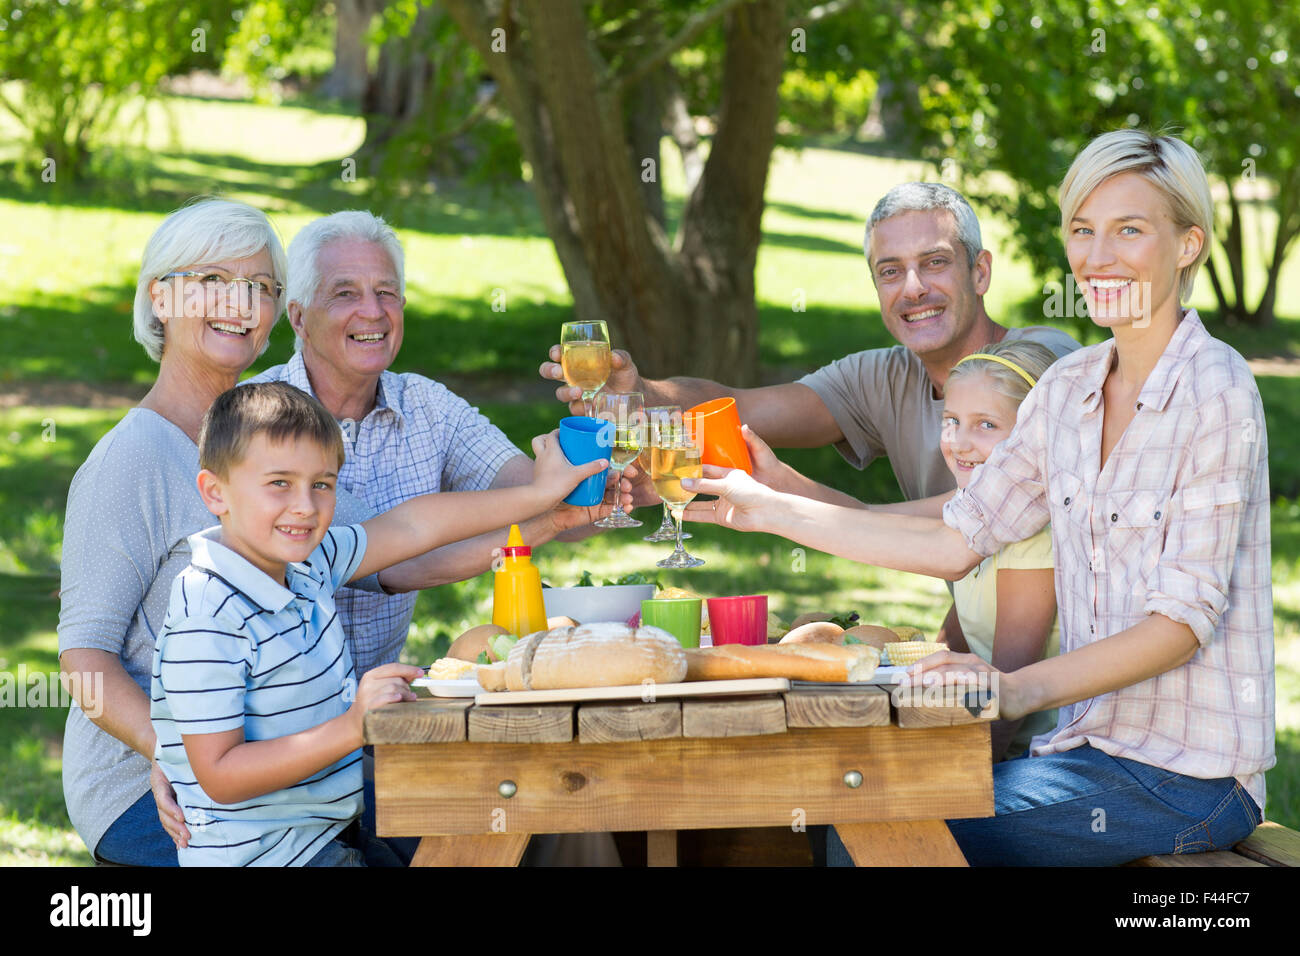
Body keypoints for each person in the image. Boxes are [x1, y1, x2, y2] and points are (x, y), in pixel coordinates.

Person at [683, 130, 1273, 866]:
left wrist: (1014, 691)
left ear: (1188, 244)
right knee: (860, 810)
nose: (1097, 257)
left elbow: (1180, 624)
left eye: (1129, 229)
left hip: (1186, 779)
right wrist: (766, 508)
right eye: (1082, 231)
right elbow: (956, 539)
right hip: (1087, 753)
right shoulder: (1069, 390)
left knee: (887, 831)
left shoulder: (1217, 390)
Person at [540, 182, 1081, 644]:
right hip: (1000, 650)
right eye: (890, 271)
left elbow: (966, 526)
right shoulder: (884, 375)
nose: (913, 288)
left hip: (1076, 688)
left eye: (934, 263)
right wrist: (642, 392)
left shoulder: (1038, 369)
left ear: (980, 271)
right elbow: (742, 407)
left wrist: (786, 503)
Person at [150, 382, 601, 865]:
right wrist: (353, 727)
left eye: (321, 484)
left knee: (516, 817)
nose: (305, 505)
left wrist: (541, 500)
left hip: (331, 830)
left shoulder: (308, 564)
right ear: (214, 492)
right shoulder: (208, 611)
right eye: (279, 482)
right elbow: (220, 776)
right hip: (272, 856)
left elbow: (413, 526)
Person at [936, 339, 1062, 760]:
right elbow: (956, 641)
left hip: (1038, 757)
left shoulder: (1032, 536)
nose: (960, 442)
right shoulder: (972, 512)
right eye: (951, 420)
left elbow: (1005, 709)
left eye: (986, 425)